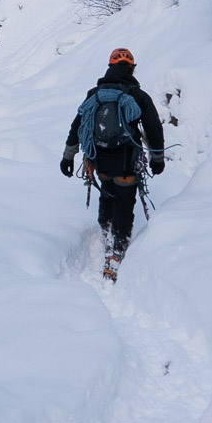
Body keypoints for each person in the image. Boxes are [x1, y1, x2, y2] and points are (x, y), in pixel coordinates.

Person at [60, 47, 165, 280]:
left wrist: (68, 156)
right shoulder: (138, 96)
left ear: (110, 67)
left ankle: (105, 230)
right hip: (127, 160)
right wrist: (157, 158)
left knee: (107, 192)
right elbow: (153, 128)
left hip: (99, 160)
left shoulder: (94, 94)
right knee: (125, 203)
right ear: (132, 67)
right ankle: (116, 252)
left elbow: (78, 125)